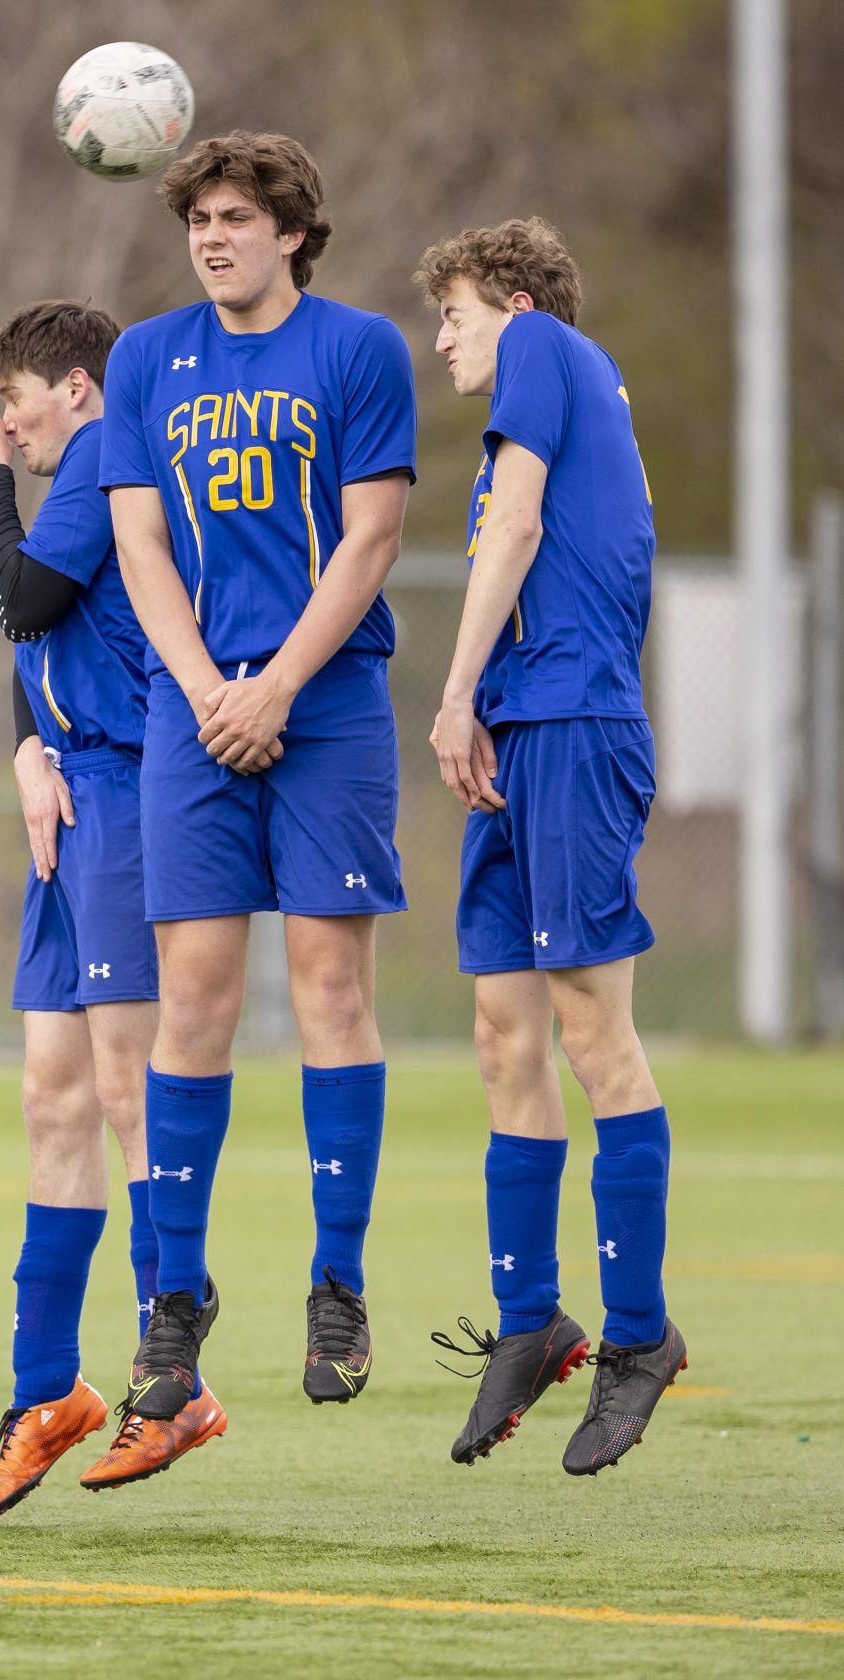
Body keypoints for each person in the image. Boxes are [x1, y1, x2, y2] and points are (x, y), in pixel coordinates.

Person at [90, 132, 417, 1484]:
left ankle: (336, 1285)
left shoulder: (359, 350)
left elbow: (374, 535)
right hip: (194, 710)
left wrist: (277, 683)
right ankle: (176, 1301)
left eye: (239, 217)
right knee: (197, 1002)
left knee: (332, 991)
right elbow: (137, 539)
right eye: (200, 219)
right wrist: (207, 688)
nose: (214, 236)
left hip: (326, 707)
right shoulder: (143, 359)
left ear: (294, 231)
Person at [414, 218, 683, 1475]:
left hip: (570, 720)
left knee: (588, 1026)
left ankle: (639, 1336)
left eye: (454, 311)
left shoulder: (542, 342)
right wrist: (485, 703)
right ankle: (532, 1324)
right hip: (524, 730)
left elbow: (514, 526)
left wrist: (455, 688)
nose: (444, 335)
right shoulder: (550, 375)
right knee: (501, 1030)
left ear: (512, 299)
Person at [0, 301, 165, 1519]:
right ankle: (50, 1390)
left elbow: (22, 596)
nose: (0, 424)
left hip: (132, 794)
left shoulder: (99, 453)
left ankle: (163, 1376)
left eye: (15, 398)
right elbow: (34, 641)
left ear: (77, 387)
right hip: (71, 793)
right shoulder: (73, 464)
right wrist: (26, 746)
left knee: (129, 1090)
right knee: (52, 1091)